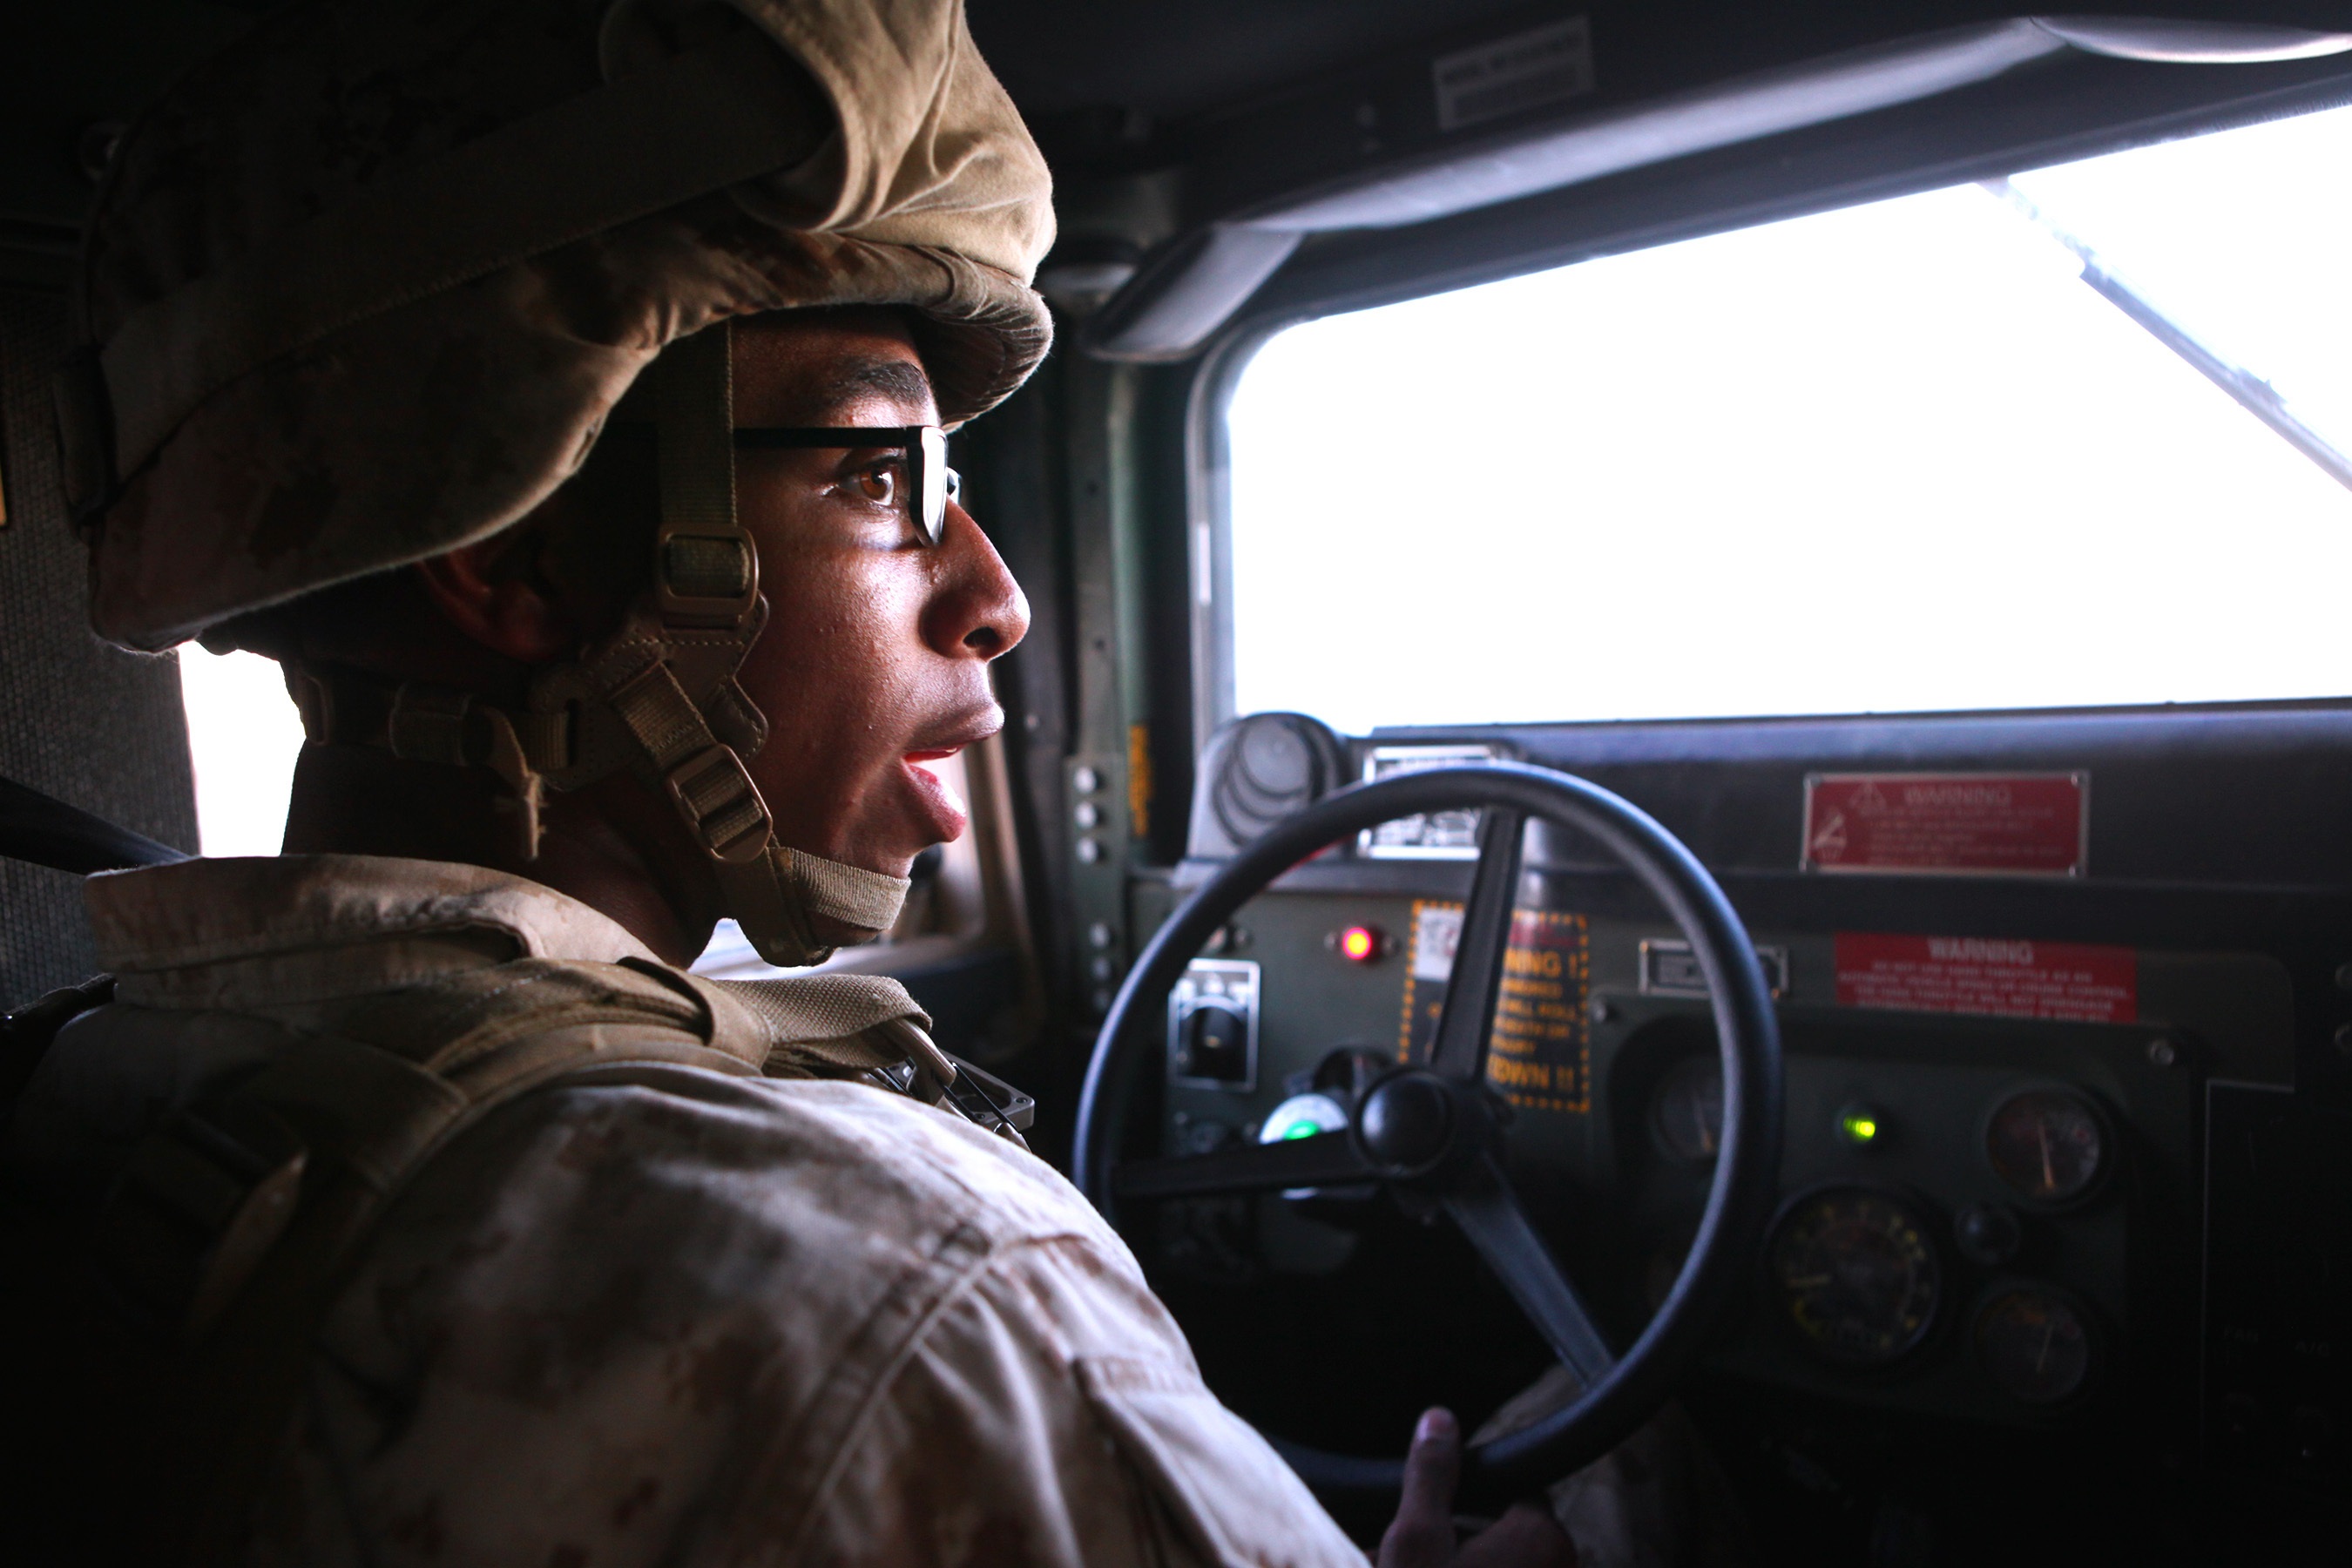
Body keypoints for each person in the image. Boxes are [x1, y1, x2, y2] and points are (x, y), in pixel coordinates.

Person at [2, 1, 1599, 1563]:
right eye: (874, 478)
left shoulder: (88, 1086)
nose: (996, 597)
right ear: (522, 552)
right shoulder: (917, 1298)